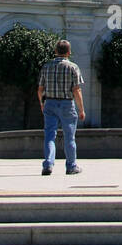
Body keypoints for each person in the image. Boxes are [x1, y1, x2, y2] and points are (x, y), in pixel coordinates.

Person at [37, 38, 85, 177]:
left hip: (50, 103)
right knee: (69, 137)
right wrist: (81, 109)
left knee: (49, 135)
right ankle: (71, 166)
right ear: (69, 52)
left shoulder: (46, 67)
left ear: (55, 51)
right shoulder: (73, 67)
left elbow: (40, 88)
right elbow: (77, 90)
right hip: (67, 104)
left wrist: (42, 103)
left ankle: (48, 164)